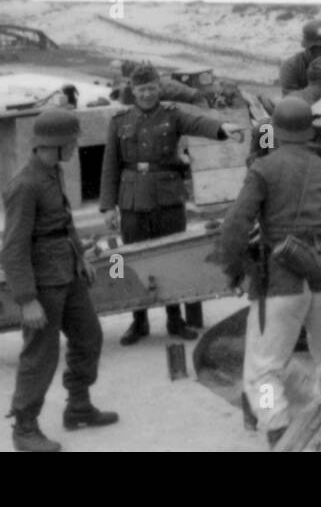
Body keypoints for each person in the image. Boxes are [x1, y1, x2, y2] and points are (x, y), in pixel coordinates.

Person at [219, 98, 321, 446]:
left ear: (276, 131)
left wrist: (234, 268)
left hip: (280, 281)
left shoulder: (263, 169)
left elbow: (236, 226)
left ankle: (277, 426)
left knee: (263, 372)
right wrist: (319, 248)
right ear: (309, 132)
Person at [99, 63, 244, 345]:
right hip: (132, 201)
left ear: (158, 88)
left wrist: (222, 128)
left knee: (172, 260)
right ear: (133, 90)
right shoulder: (119, 121)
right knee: (132, 261)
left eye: (152, 88)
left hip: (167, 199)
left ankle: (175, 320)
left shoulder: (172, 115)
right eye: (141, 89)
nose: (147, 94)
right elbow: (109, 166)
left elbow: (198, 123)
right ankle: (138, 321)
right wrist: (107, 207)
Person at [1, 108, 118, 452]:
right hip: (43, 284)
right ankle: (24, 428)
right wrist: (26, 299)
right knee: (41, 355)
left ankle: (78, 406)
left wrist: (80, 259)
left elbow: (64, 222)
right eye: (72, 141)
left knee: (89, 336)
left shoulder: (54, 172)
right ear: (57, 143)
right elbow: (13, 248)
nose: (75, 146)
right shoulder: (24, 185)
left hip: (67, 274)